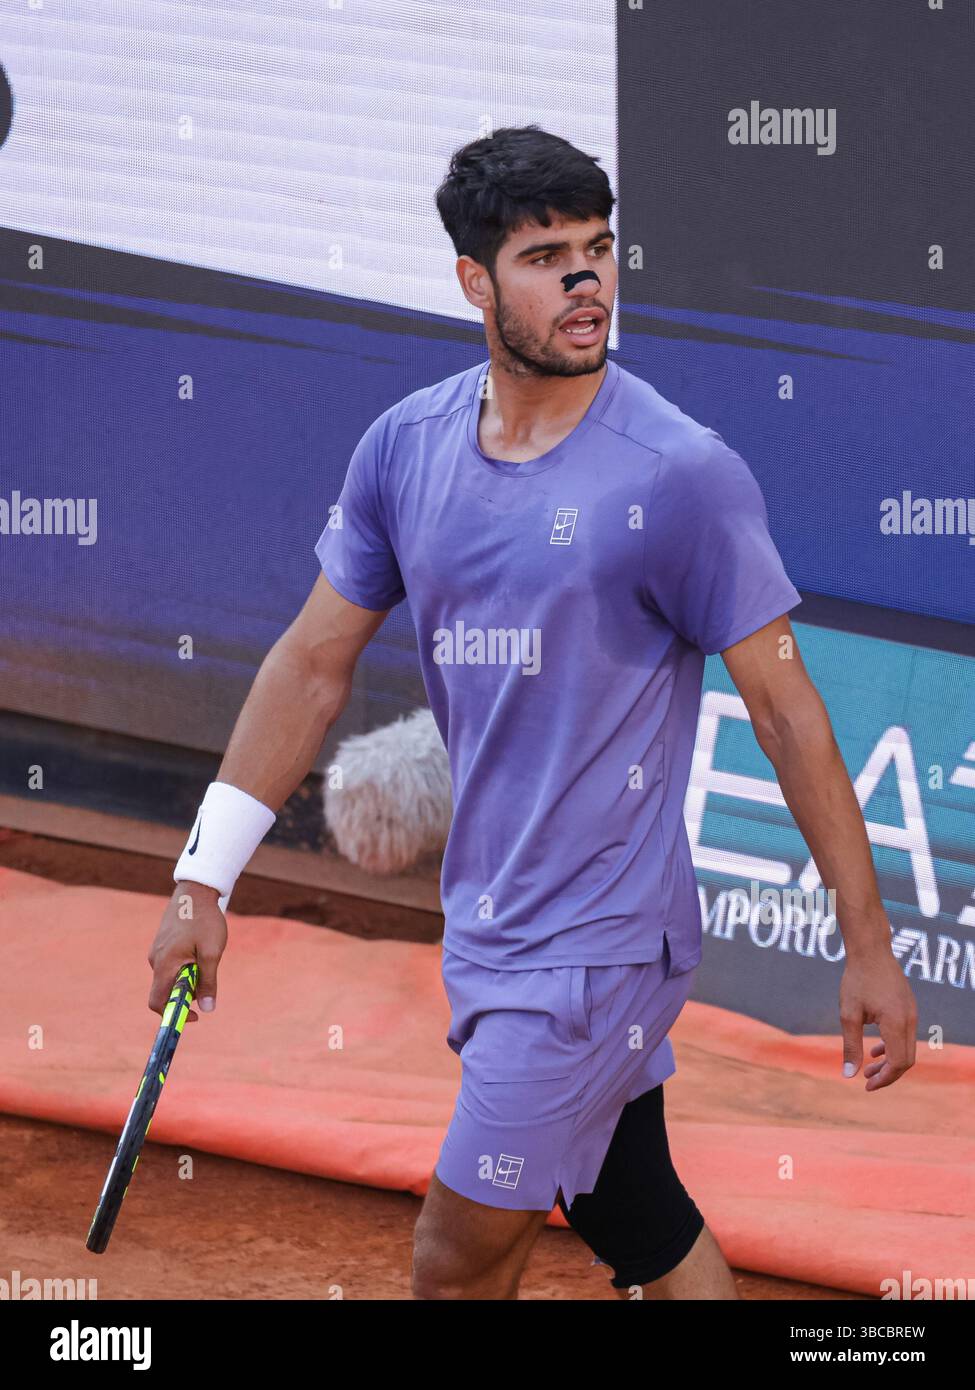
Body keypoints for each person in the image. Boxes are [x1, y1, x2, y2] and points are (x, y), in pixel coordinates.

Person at [147, 125, 917, 1301]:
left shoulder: (680, 475)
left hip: (598, 953)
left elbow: (787, 711)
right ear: (473, 281)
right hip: (495, 931)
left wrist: (868, 943)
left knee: (456, 1263)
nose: (586, 281)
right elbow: (311, 665)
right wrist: (203, 882)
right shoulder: (405, 450)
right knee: (636, 1213)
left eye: (600, 250)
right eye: (547, 254)